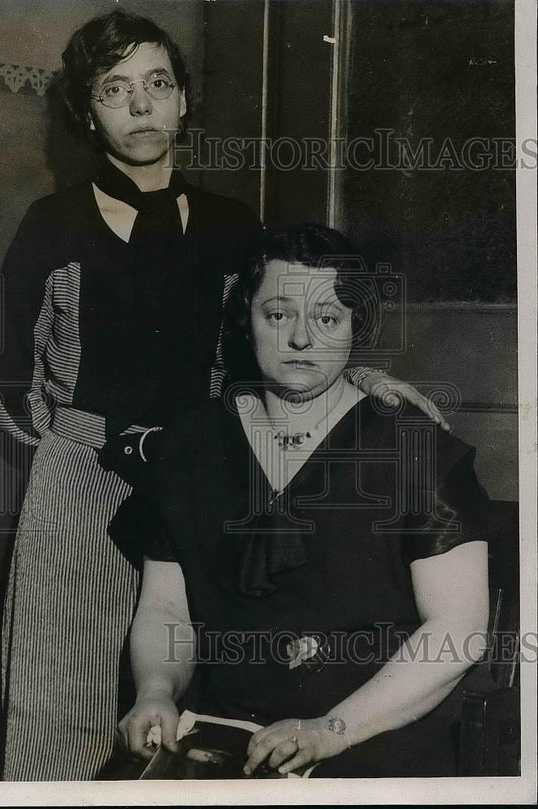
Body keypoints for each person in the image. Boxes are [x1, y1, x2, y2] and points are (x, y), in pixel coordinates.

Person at [0, 10, 448, 781]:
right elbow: (2, 383)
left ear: (183, 102)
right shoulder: (50, 224)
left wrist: (363, 376)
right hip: (81, 483)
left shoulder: (235, 225)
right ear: (86, 112)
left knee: (191, 698)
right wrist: (76, 449)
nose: (140, 106)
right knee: (63, 699)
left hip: (205, 472)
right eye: (115, 89)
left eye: (158, 84)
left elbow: (283, 337)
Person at [115, 224, 490, 778]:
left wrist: (330, 731)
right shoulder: (192, 447)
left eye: (327, 318)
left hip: (373, 737)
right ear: (247, 320)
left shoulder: (415, 449)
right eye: (279, 315)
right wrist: (155, 690)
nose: (301, 340)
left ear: (354, 327)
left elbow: (457, 632)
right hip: (228, 737)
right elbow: (167, 610)